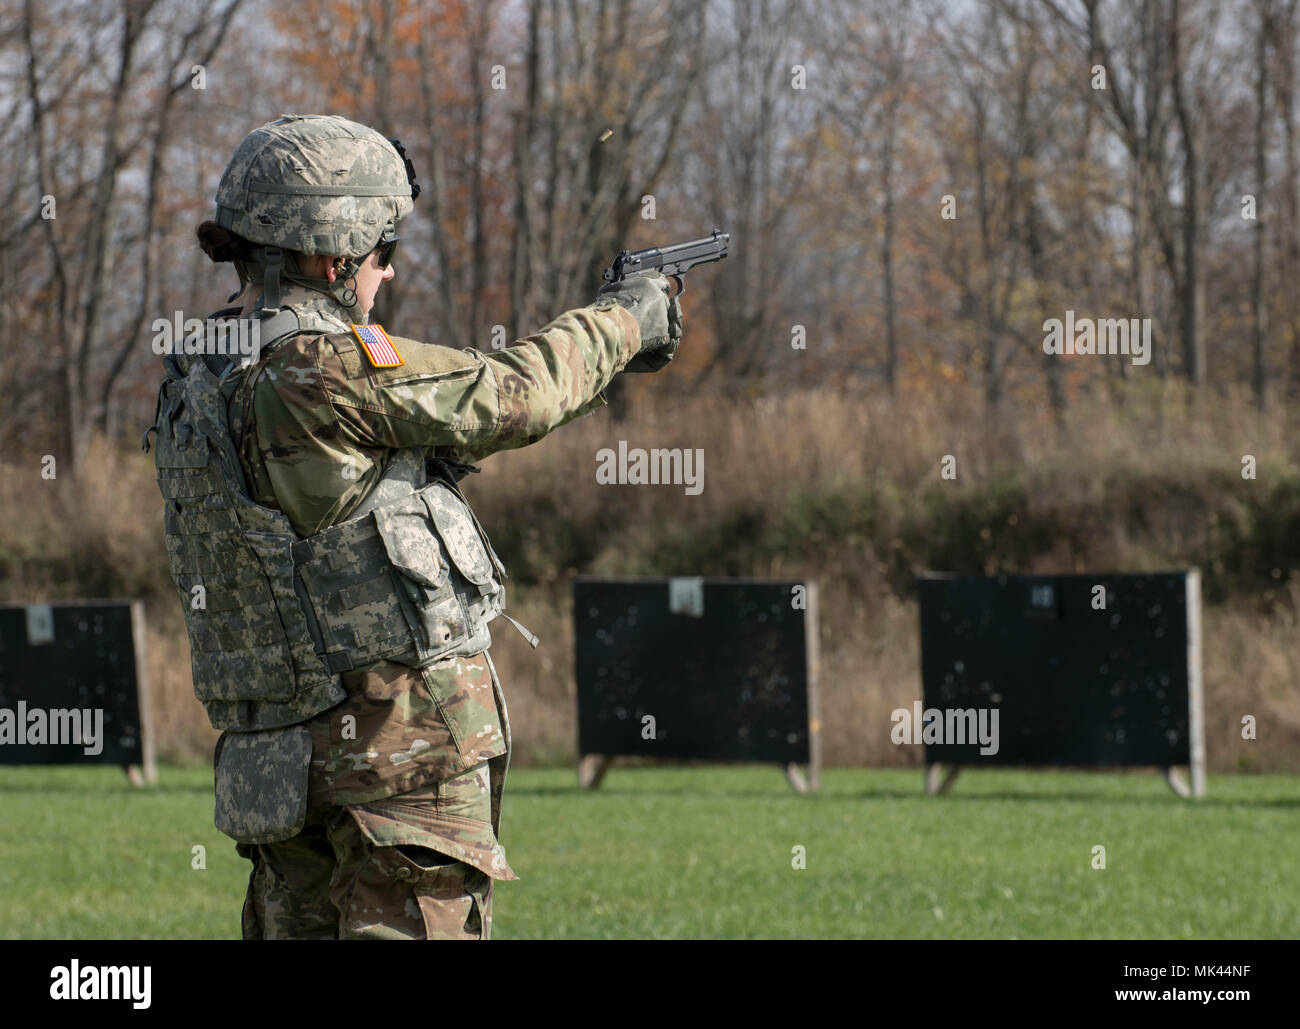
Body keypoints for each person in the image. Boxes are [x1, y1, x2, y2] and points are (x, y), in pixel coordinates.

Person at [143, 113, 682, 939]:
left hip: (279, 774)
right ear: (332, 257)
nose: (385, 275)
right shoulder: (324, 372)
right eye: (381, 251)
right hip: (395, 774)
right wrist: (626, 320)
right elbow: (516, 391)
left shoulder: (194, 379)